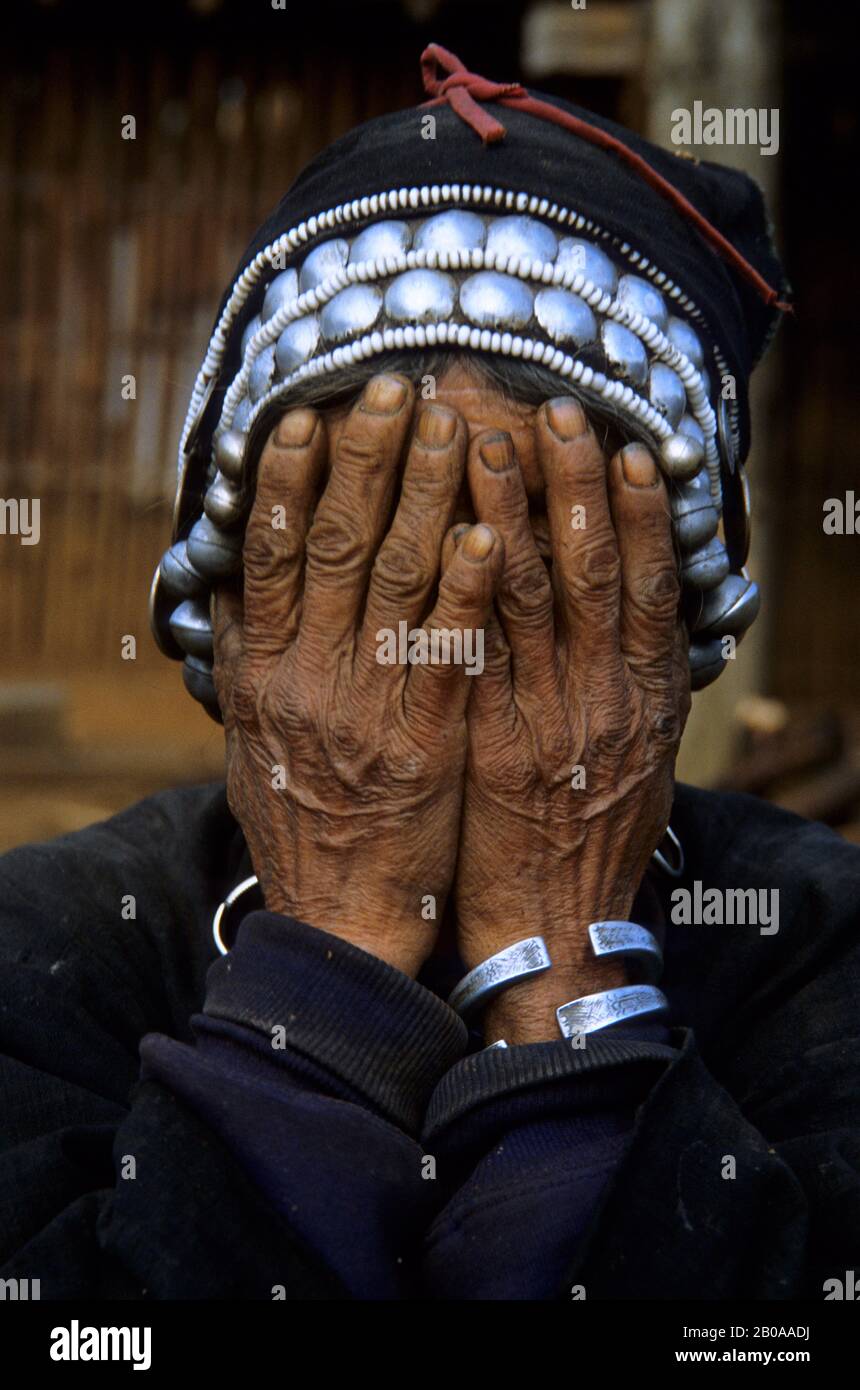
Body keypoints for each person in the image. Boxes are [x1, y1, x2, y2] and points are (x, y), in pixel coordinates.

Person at [1, 44, 858, 1301]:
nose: (437, 659)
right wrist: (327, 964)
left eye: (543, 596)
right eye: (363, 589)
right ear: (227, 623)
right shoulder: (52, 947)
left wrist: (565, 971)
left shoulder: (816, 945)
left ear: (672, 648)